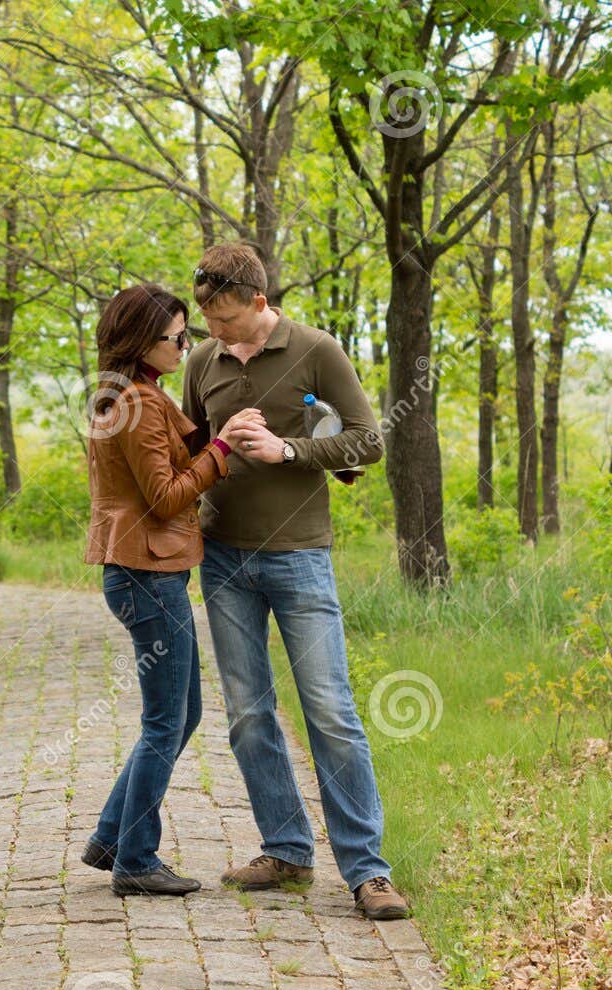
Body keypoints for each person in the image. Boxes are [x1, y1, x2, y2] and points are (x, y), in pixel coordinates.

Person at [183, 242, 411, 920]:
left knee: (330, 711)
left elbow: (368, 441)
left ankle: (367, 871)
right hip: (223, 559)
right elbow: (191, 448)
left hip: (300, 556)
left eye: (227, 321)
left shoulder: (317, 351)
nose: (216, 335)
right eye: (208, 325)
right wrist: (219, 443)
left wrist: (288, 450)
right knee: (249, 715)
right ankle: (286, 849)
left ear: (259, 301)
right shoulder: (201, 362)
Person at [81, 284, 259, 898]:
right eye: (177, 338)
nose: (187, 346)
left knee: (179, 716)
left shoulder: (134, 395)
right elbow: (166, 496)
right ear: (141, 341)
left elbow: (175, 449)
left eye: (189, 336)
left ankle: (111, 836)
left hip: (142, 572)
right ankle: (135, 860)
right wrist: (221, 449)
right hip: (146, 573)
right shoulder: (135, 400)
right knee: (167, 721)